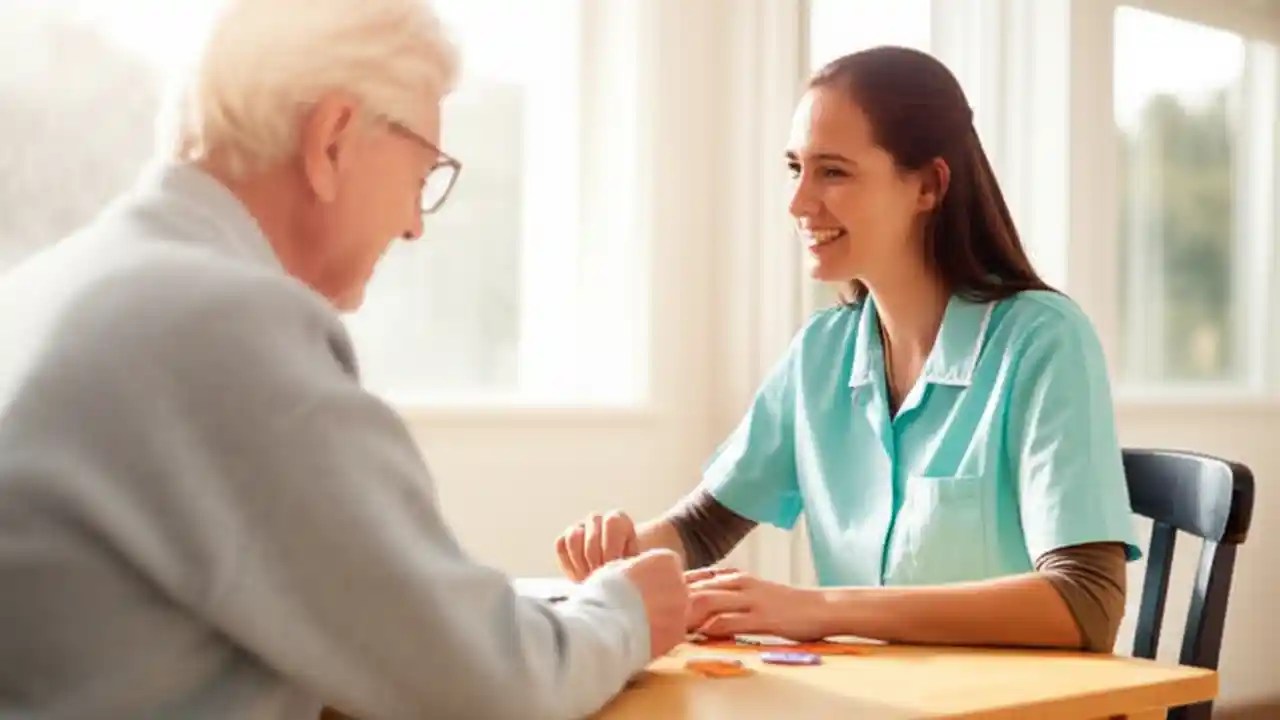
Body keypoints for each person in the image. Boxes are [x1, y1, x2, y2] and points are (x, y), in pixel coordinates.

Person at [0, 1, 689, 718]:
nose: (416, 225)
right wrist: (628, 610)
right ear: (332, 138)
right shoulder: (223, 322)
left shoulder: (53, 287)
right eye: (423, 175)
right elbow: (486, 684)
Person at [556, 46, 1140, 654]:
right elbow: (703, 527)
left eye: (832, 171)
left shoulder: (1043, 342)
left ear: (929, 186)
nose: (799, 202)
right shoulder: (822, 355)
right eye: (795, 168)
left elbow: (1086, 602)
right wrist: (623, 554)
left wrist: (815, 609)